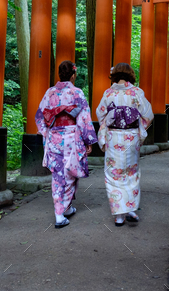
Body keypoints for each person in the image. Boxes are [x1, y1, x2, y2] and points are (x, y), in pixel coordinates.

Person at [35, 60, 97, 229]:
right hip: (71, 137)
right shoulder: (77, 92)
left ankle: (64, 210)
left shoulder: (49, 92)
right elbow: (84, 117)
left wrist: (47, 134)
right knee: (70, 173)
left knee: (58, 174)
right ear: (73, 75)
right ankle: (60, 213)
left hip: (54, 136)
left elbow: (40, 116)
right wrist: (88, 140)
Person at [96, 63, 154, 227]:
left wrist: (107, 124)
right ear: (130, 75)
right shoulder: (136, 92)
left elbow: (100, 113)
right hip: (131, 136)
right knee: (131, 172)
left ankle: (119, 216)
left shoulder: (108, 93)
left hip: (114, 136)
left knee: (113, 174)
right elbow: (148, 114)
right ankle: (131, 210)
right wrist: (139, 127)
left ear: (114, 76)